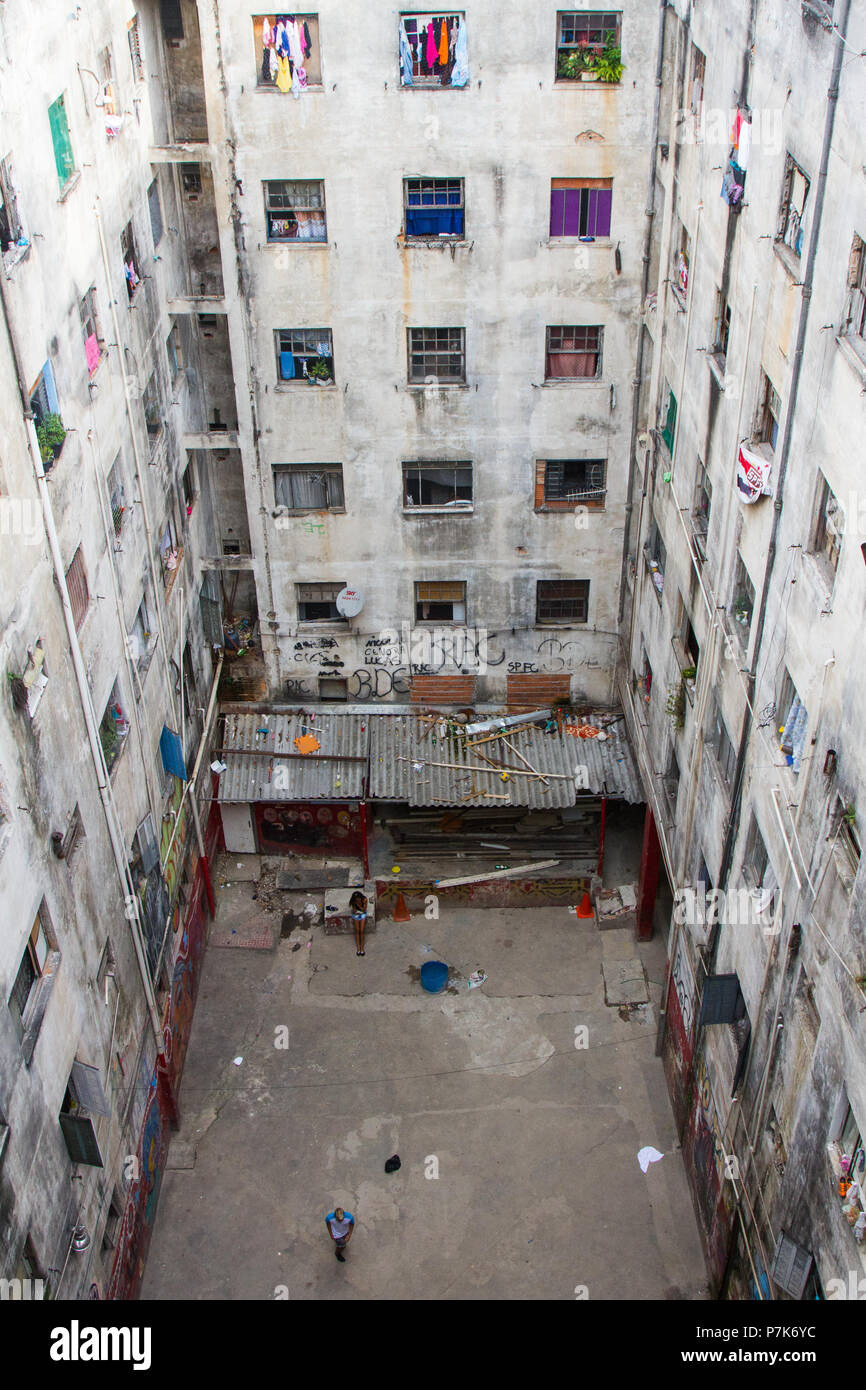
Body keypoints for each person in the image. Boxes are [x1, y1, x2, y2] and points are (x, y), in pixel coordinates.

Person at [349, 890, 368, 957]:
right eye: (356, 900)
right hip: (356, 915)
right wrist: (355, 905)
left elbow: (363, 910)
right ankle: (358, 947)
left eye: (358, 899)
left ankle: (362, 947)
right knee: (357, 931)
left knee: (362, 931)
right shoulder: (353, 902)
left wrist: (359, 905)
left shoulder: (364, 899)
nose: (358, 900)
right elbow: (354, 911)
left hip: (362, 914)